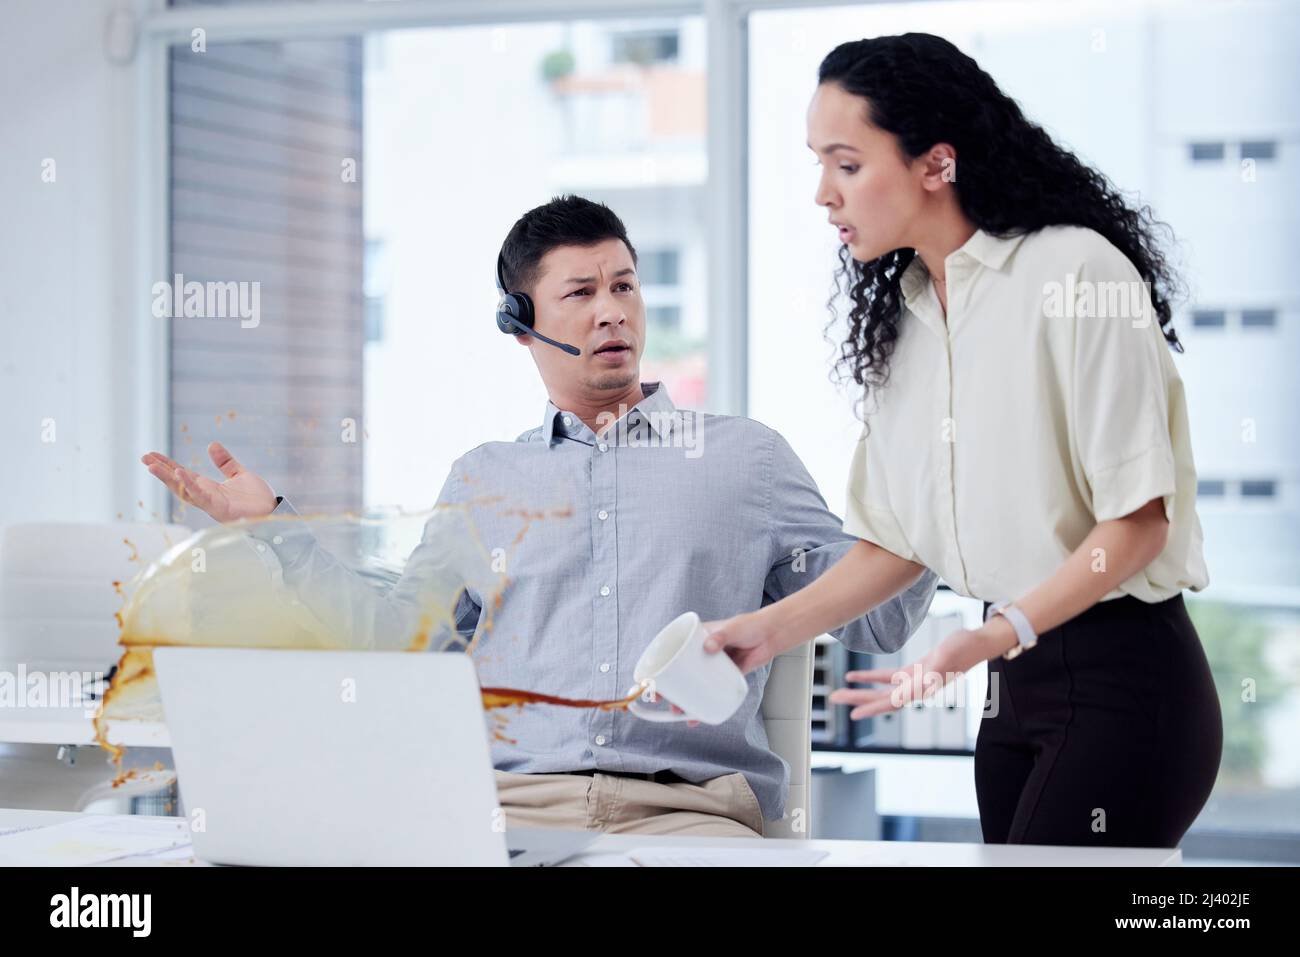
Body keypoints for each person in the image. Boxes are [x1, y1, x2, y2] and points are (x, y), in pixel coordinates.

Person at [142, 194, 938, 839]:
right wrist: (274, 527)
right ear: (520, 322)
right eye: (582, 293)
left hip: (690, 816)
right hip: (504, 815)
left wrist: (935, 466)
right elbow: (397, 637)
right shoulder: (485, 477)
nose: (612, 312)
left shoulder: (746, 459)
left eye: (625, 285)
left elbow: (886, 618)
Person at [702, 34, 1222, 848]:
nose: (822, 195)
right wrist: (766, 631)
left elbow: (1138, 523)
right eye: (818, 165)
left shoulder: (1078, 274)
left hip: (1124, 674)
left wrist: (995, 631)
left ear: (935, 164)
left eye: (845, 164)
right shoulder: (905, 323)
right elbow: (898, 546)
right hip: (1009, 686)